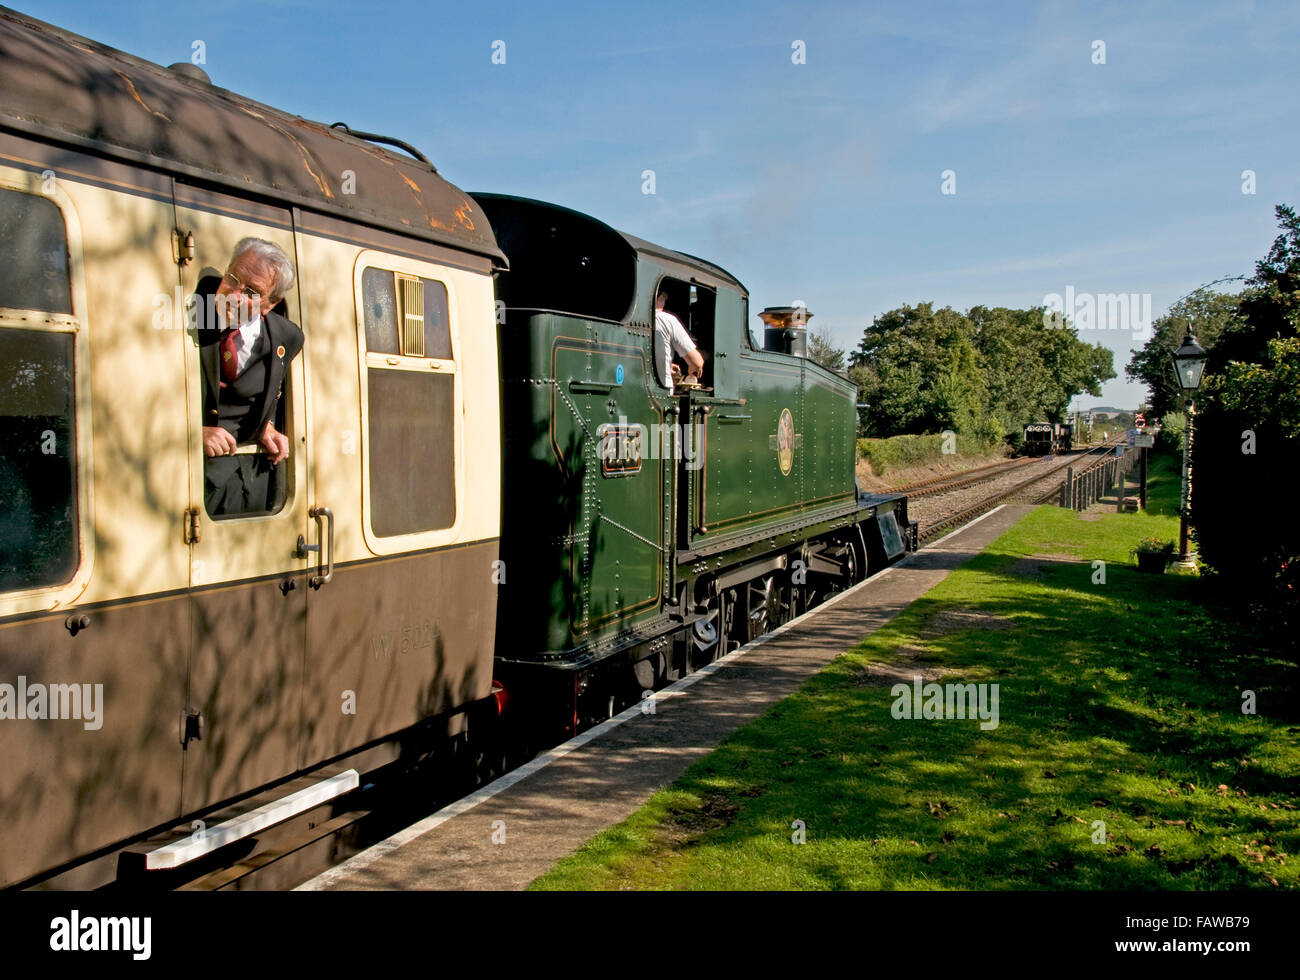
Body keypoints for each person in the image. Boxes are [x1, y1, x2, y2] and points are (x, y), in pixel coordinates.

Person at [198, 237, 304, 517]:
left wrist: (266, 425)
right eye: (233, 278)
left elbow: (275, 392)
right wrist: (194, 433)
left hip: (251, 486)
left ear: (271, 303)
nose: (234, 295)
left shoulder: (287, 338)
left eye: (251, 292)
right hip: (192, 483)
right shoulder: (190, 315)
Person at [654, 288, 704, 389]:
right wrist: (693, 368)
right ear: (659, 298)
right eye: (664, 299)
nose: (664, 304)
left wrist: (667, 367)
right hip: (661, 389)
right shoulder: (668, 320)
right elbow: (697, 362)